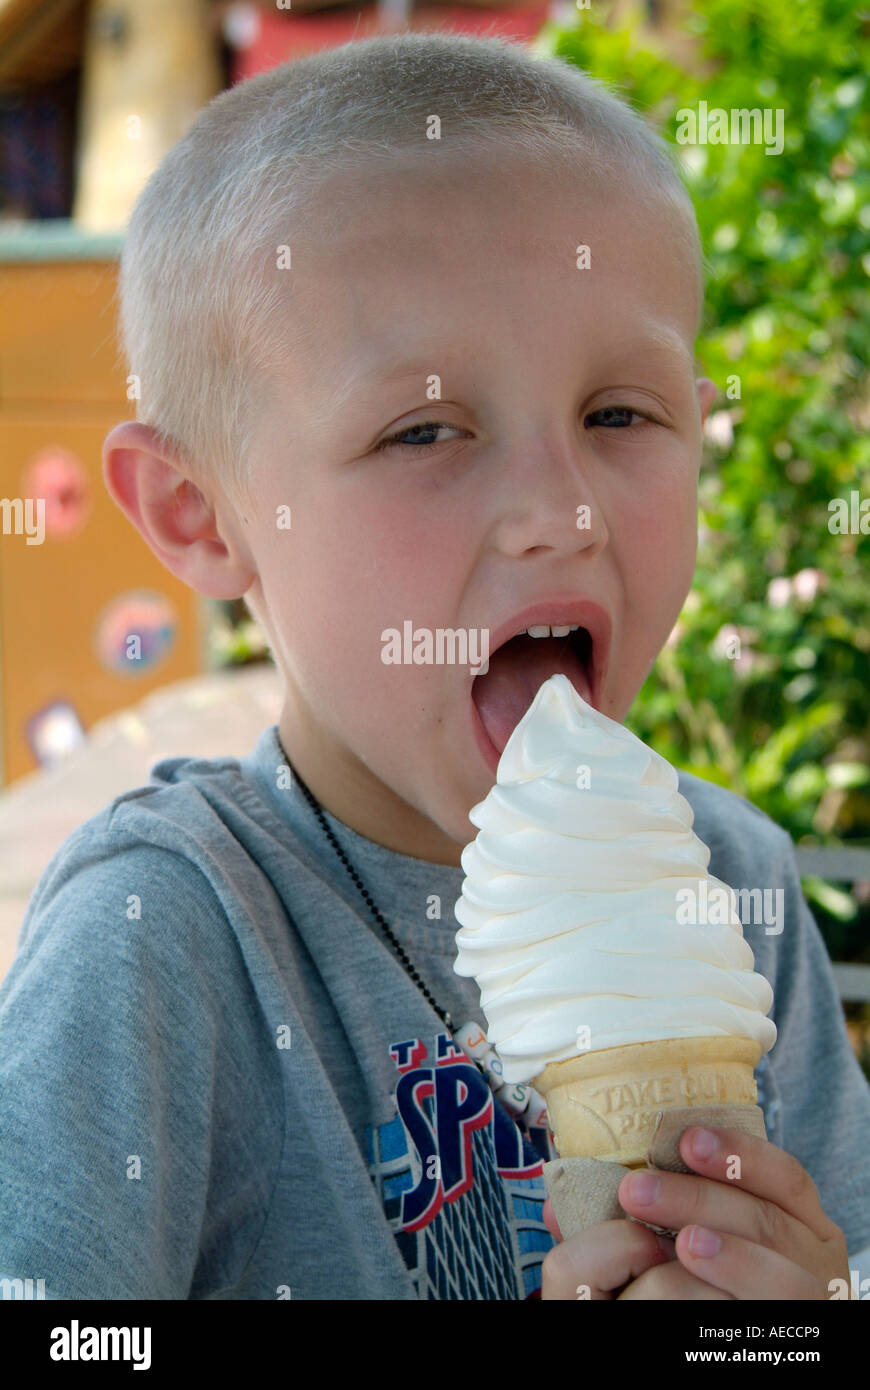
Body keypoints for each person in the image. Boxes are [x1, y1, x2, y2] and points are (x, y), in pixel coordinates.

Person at [0, 31, 867, 1301]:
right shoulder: (169, 934)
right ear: (202, 513)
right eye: (424, 429)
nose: (560, 510)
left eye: (620, 414)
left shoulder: (730, 883)